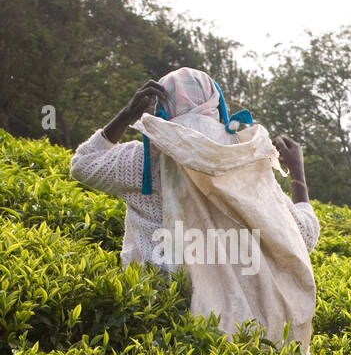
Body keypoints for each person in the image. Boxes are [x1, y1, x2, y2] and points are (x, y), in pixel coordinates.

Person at [69, 68, 320, 272]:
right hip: (227, 323)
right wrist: (298, 173)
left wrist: (125, 115)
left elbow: (83, 163)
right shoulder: (244, 161)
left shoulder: (144, 160)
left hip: (154, 311)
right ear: (215, 103)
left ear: (161, 107)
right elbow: (303, 237)